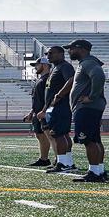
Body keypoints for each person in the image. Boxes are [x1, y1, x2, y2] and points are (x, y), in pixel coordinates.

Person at [63, 39, 109, 183]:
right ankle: (100, 171)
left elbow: (99, 76)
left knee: (88, 140)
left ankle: (94, 172)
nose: (69, 51)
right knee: (95, 140)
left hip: (87, 108)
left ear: (81, 49)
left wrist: (91, 97)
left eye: (71, 49)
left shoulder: (88, 63)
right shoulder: (86, 63)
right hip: (89, 108)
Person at [39, 45, 78, 174]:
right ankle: (68, 162)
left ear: (61, 54)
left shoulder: (65, 66)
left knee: (59, 135)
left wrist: (59, 95)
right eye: (47, 53)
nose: (48, 56)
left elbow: (71, 80)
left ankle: (63, 163)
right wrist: (45, 108)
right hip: (54, 106)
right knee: (63, 134)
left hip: (61, 105)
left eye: (51, 53)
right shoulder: (56, 67)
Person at [22, 58, 52, 168]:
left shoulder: (48, 79)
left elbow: (49, 98)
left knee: (51, 136)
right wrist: (32, 112)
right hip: (38, 112)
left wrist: (44, 111)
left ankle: (61, 160)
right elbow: (37, 99)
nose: (35, 67)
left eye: (37, 65)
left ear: (44, 65)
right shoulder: (41, 79)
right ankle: (44, 159)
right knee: (40, 135)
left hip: (45, 112)